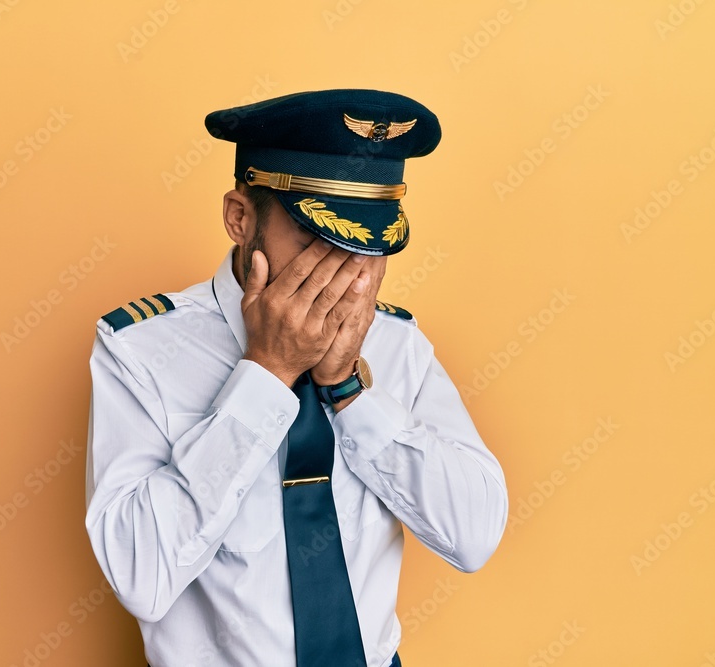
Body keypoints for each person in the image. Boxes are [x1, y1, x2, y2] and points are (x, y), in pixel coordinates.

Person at [84, 89, 508, 667]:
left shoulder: (396, 342)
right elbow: (140, 574)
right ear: (240, 218)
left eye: (366, 245)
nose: (341, 276)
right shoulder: (140, 348)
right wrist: (266, 373)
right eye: (317, 239)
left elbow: (473, 536)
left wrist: (350, 392)